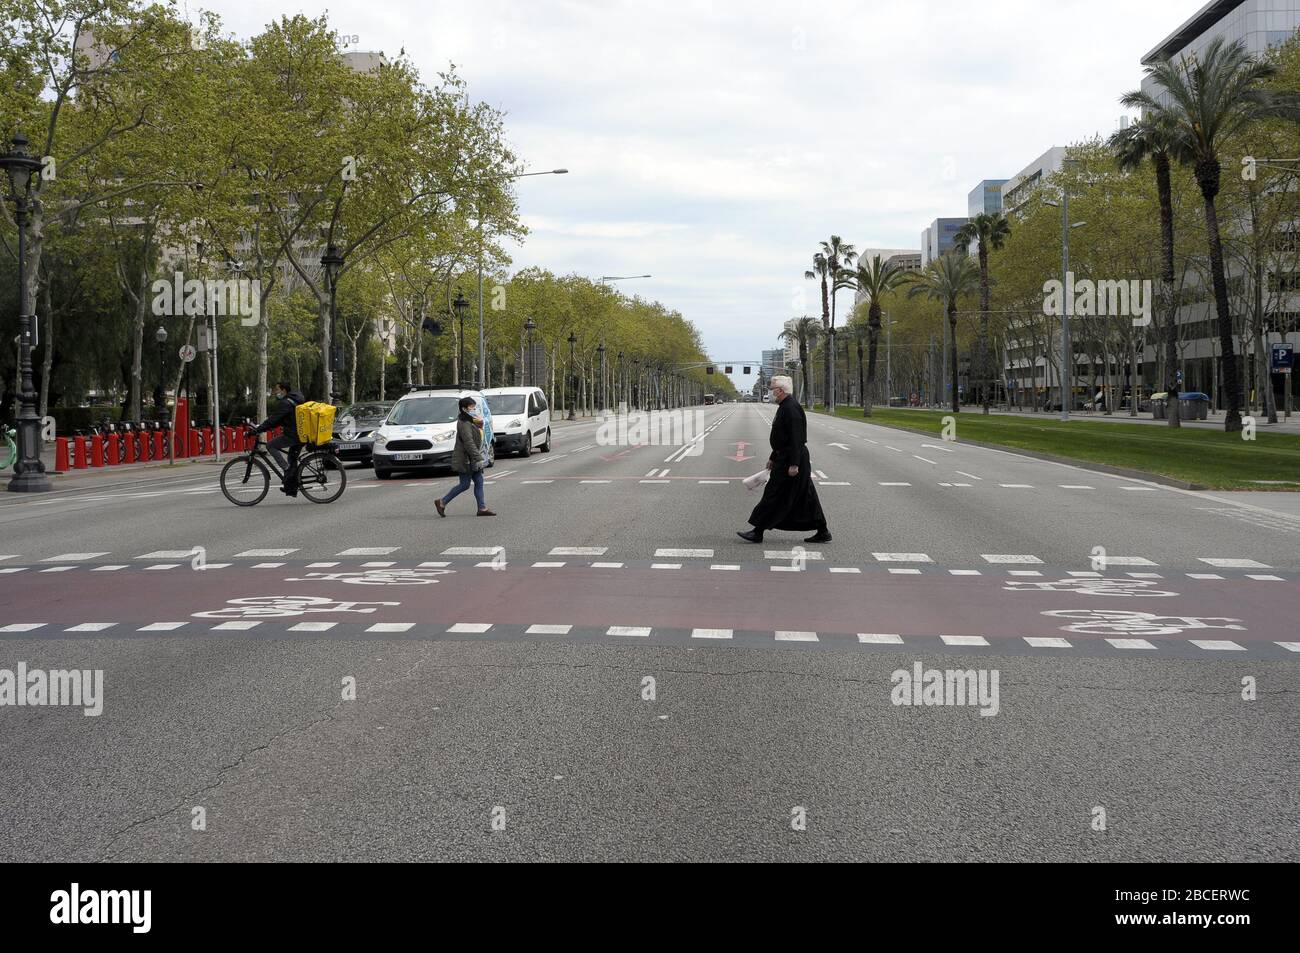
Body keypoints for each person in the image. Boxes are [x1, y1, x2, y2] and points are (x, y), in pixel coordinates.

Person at [738, 375, 830, 543]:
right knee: (806, 495)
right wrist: (773, 457)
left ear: (780, 391)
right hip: (786, 456)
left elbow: (797, 438)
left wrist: (794, 464)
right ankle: (823, 530)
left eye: (772, 390)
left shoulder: (790, 408)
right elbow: (783, 437)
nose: (771, 393)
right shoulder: (785, 406)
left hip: (791, 459)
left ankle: (757, 531)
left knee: (773, 493)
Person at [434, 396, 496, 517]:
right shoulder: (464, 423)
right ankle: (442, 502)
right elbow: (468, 442)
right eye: (471, 407)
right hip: (466, 459)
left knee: (479, 481)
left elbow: (478, 438)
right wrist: (478, 458)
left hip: (472, 458)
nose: (474, 409)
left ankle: (482, 508)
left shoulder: (471, 420)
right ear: (464, 409)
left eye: (474, 406)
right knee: (464, 484)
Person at [254, 381, 306, 496]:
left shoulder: (286, 403)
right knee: (292, 459)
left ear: (284, 390)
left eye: (277, 390)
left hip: (293, 435)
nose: (275, 392)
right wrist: (266, 427)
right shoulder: (294, 400)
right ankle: (291, 487)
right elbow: (280, 420)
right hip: (300, 434)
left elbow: (274, 419)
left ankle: (286, 470)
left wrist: (259, 429)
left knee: (270, 445)